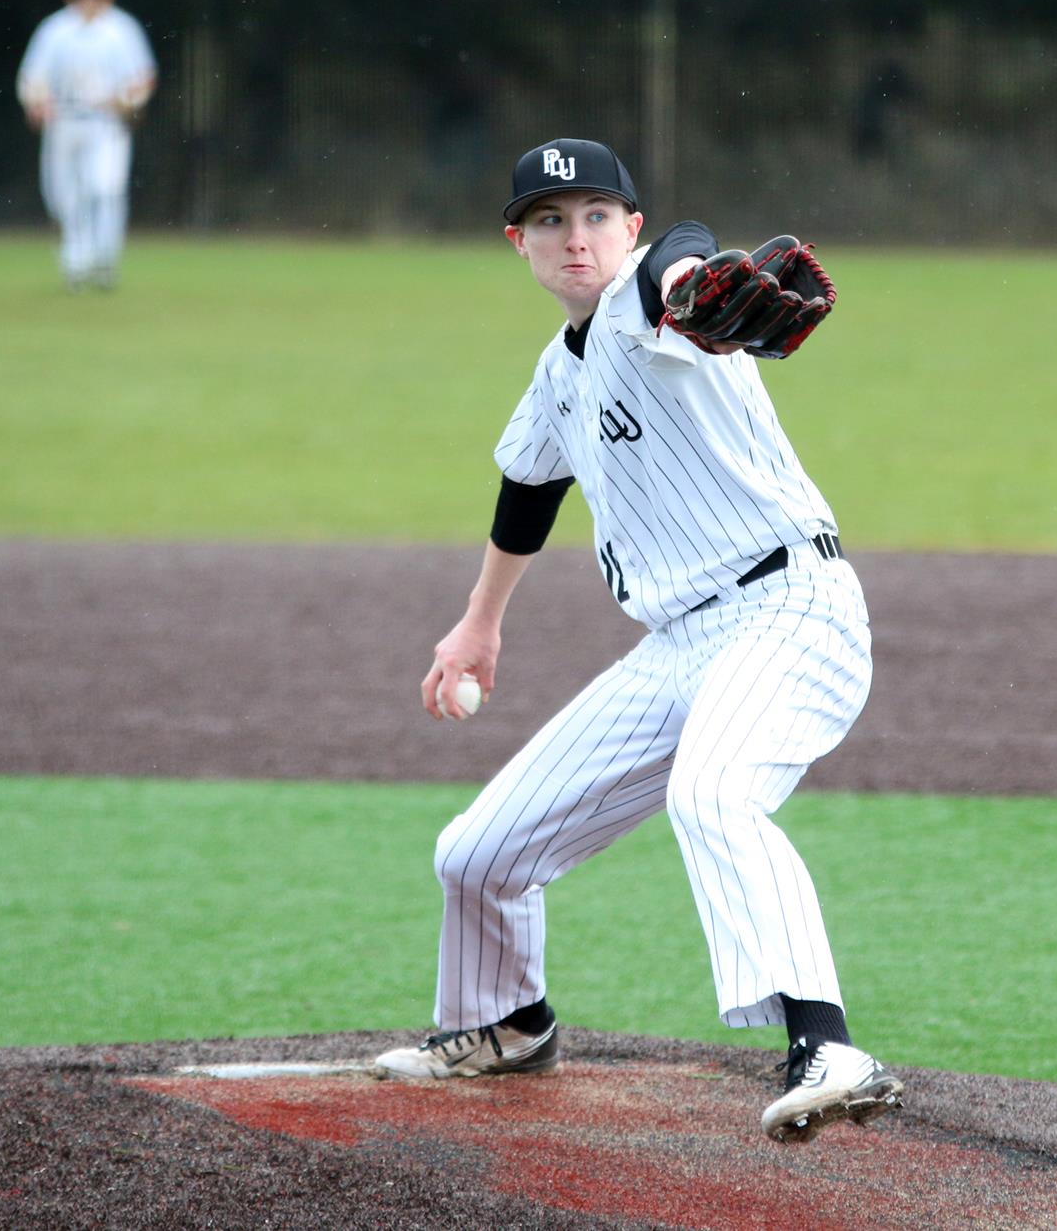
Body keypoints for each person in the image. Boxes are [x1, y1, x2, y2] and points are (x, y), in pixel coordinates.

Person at [372, 138, 904, 1144]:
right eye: (548, 221)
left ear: (628, 224)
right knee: (476, 853)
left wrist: (693, 279)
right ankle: (507, 1025)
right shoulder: (554, 371)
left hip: (788, 608)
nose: (574, 238)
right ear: (517, 243)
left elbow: (685, 258)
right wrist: (479, 622)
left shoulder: (656, 304)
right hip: (678, 647)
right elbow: (527, 489)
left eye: (594, 217)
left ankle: (827, 1045)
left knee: (711, 794)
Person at [15, 0, 156, 291]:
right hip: (63, 120)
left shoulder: (122, 29)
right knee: (63, 195)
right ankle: (76, 264)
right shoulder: (55, 29)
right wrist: (35, 102)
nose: (90, 1)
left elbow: (143, 77)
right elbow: (32, 75)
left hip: (105, 122)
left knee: (104, 189)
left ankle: (104, 261)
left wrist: (128, 101)